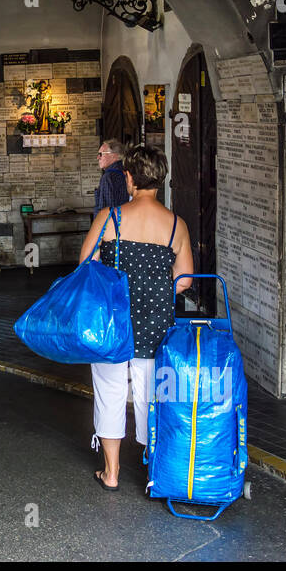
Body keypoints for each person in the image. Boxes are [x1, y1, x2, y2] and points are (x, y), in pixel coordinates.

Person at [77, 145, 194, 491]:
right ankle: (155, 474)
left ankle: (111, 473)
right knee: (150, 395)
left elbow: (85, 265)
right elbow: (185, 278)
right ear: (161, 179)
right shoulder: (176, 225)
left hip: (112, 326)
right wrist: (158, 292)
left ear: (129, 178)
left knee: (110, 392)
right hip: (155, 325)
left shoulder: (109, 218)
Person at [93, 139, 129, 217]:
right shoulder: (126, 173)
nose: (98, 157)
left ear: (114, 155)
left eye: (101, 154)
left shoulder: (109, 177)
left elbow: (106, 212)